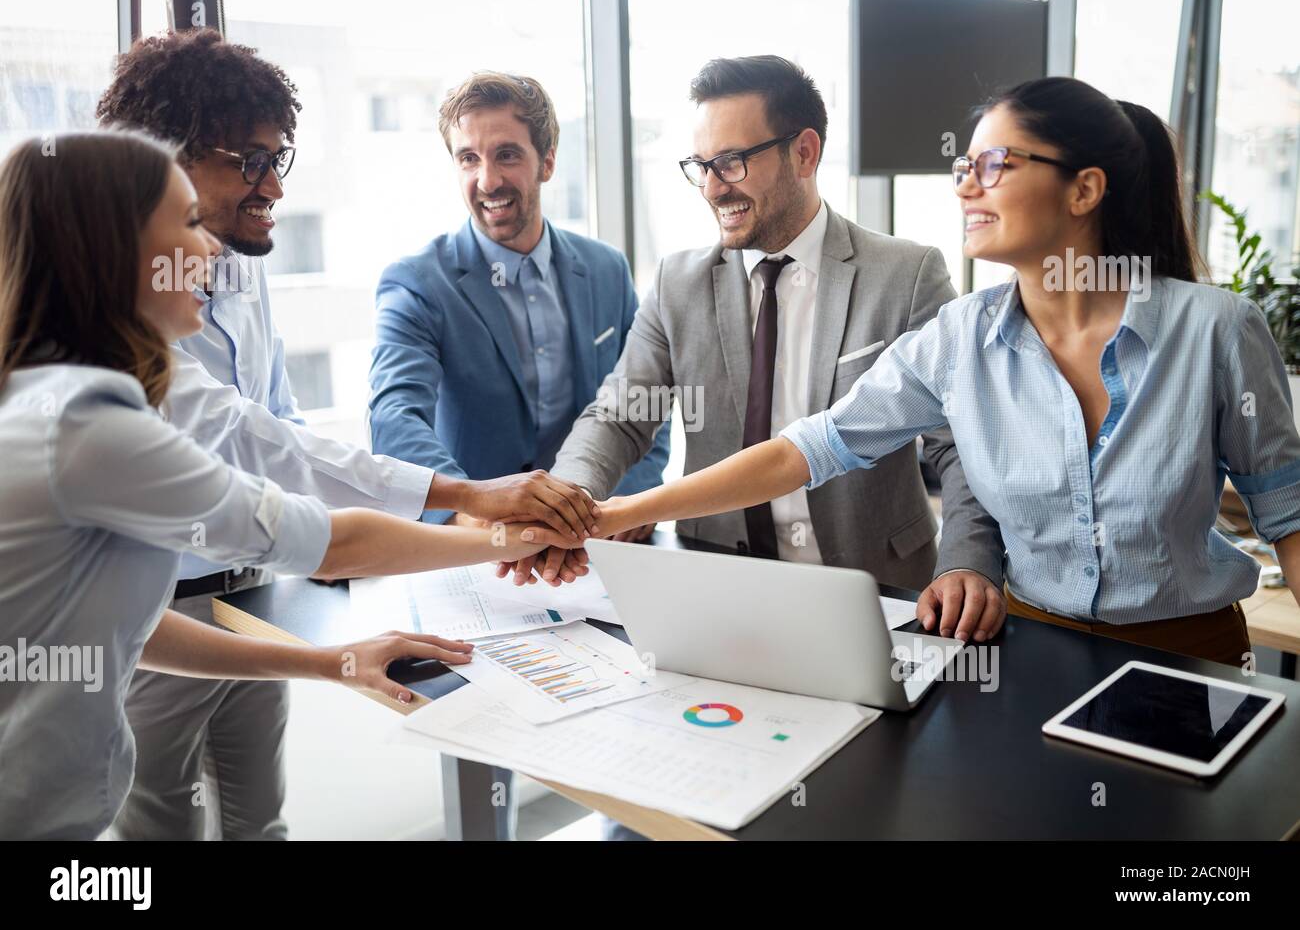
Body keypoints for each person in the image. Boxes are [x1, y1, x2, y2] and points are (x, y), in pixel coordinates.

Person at [586, 77, 1300, 667]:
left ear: (1084, 190)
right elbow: (807, 449)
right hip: (1027, 648)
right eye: (966, 169)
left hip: (1191, 657)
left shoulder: (1216, 330)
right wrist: (617, 512)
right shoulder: (962, 337)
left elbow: (1289, 519)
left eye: (996, 167)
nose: (966, 189)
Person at [0, 130, 575, 840]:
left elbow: (131, 627)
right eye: (185, 225)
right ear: (114, 248)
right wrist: (504, 527)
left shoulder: (52, 399)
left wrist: (330, 662)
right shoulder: (93, 429)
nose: (212, 250)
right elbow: (330, 544)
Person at [526, 56, 1004, 615]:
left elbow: (960, 445)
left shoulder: (907, 274)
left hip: (877, 587)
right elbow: (620, 416)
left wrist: (966, 560)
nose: (711, 188)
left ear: (804, 152)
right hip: (715, 578)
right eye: (700, 166)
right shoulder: (676, 281)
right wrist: (565, 502)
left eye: (729, 163)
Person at [368, 71, 671, 579]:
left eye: (506, 154)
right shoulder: (416, 281)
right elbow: (394, 416)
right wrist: (467, 513)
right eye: (469, 158)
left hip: (598, 543)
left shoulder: (605, 269)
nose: (487, 180)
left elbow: (646, 398)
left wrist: (631, 498)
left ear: (547, 161)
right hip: (477, 553)